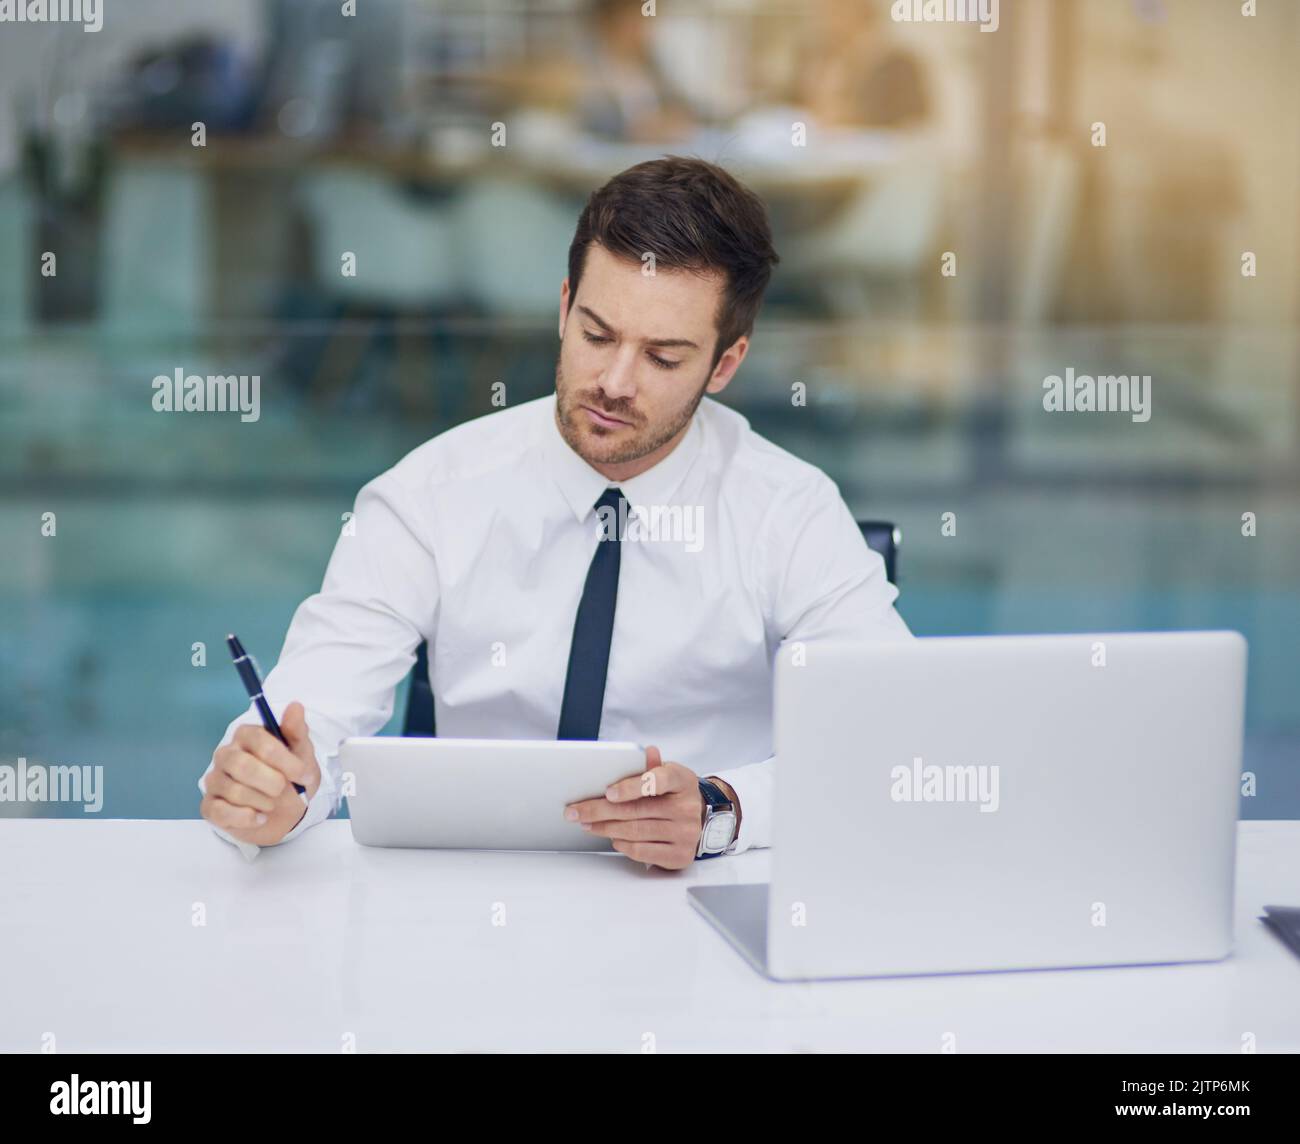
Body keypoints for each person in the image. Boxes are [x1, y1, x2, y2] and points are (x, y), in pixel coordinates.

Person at [198, 156, 910, 870]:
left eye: (664, 357)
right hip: (470, 899)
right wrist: (270, 793)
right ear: (565, 305)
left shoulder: (788, 510)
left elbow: (894, 737)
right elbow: (308, 715)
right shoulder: (430, 493)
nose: (614, 383)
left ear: (724, 365)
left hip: (697, 895)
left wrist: (725, 810)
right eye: (597, 335)